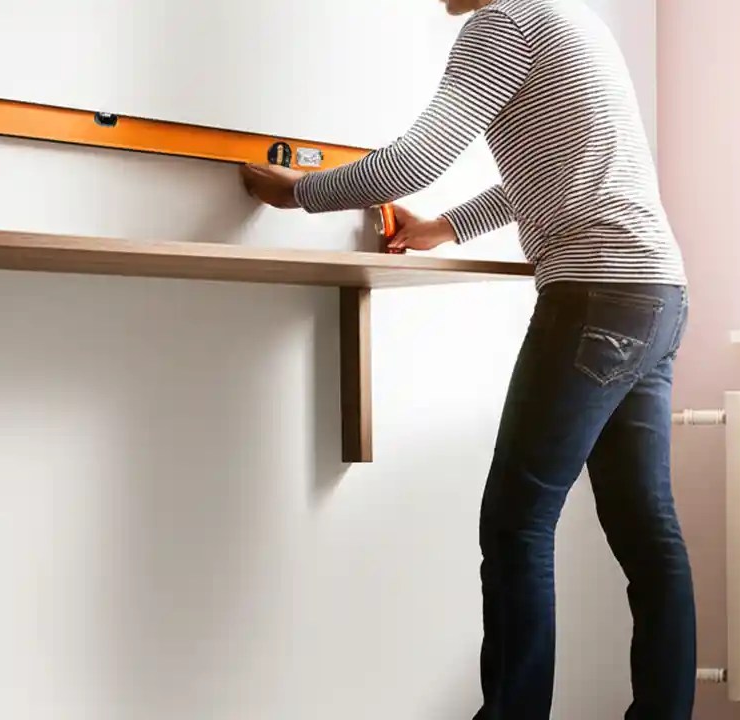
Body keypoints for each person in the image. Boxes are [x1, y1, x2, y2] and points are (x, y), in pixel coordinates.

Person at [240, 0, 694, 717]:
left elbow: (416, 158)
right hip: (656, 294)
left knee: (516, 523)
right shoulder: (574, 21)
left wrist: (298, 193)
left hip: (596, 296)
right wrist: (448, 227)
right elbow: (556, 170)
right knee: (648, 533)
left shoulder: (502, 23)